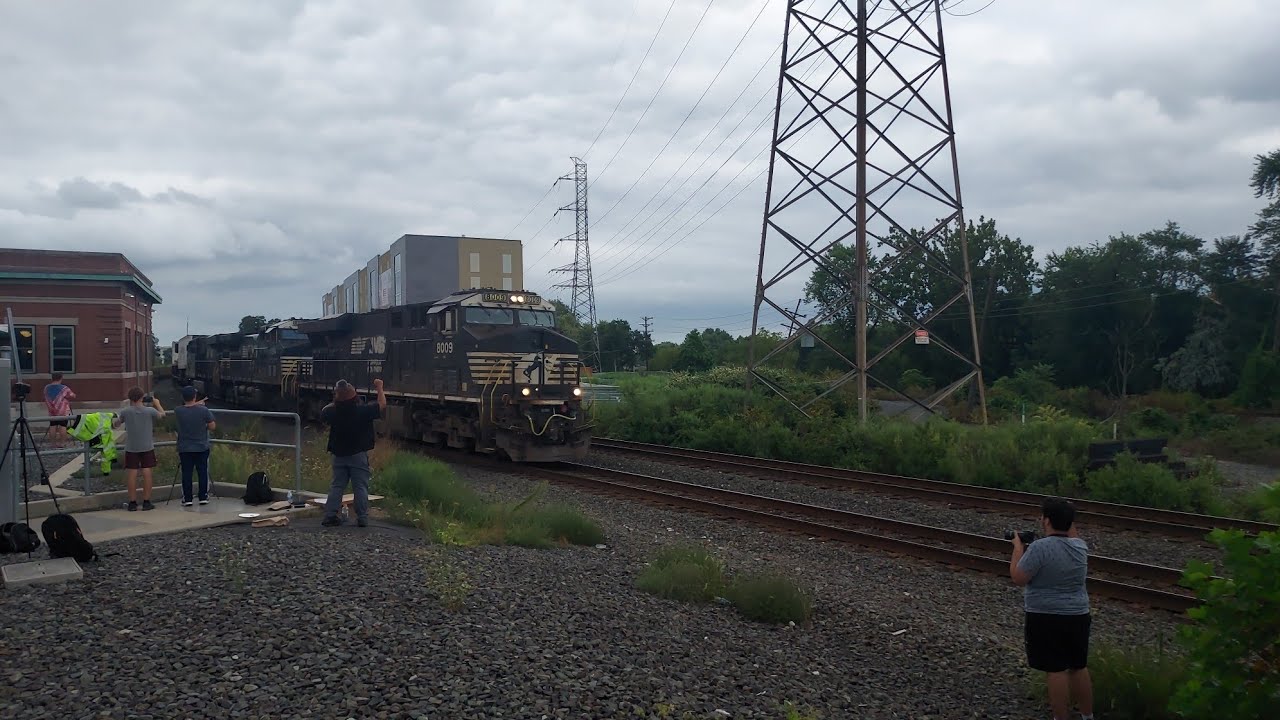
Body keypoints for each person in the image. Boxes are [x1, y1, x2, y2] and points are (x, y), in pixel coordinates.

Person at [1010, 497, 1094, 720]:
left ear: (1046, 521)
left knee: (1055, 670)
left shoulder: (1039, 548)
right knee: (1078, 666)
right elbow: (1071, 532)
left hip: (1046, 616)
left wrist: (1018, 548)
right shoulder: (1080, 547)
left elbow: (1018, 577)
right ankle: (1088, 716)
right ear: (1070, 522)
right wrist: (1066, 515)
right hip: (1078, 614)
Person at [320, 378, 385, 528]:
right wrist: (380, 388)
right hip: (357, 455)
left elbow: (324, 412)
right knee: (360, 487)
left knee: (337, 486)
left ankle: (330, 516)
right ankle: (362, 518)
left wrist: (338, 399)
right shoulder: (363, 411)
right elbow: (381, 405)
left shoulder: (332, 411)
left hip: (339, 455)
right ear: (354, 396)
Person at [114, 386, 165, 511]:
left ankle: (132, 503)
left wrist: (116, 421)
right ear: (142, 397)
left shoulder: (126, 412)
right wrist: (157, 404)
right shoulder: (149, 411)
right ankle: (146, 501)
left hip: (131, 447)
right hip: (147, 446)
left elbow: (117, 424)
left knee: (132, 473)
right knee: (147, 472)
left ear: (130, 398)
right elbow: (162, 415)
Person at [174, 385, 216, 507]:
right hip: (201, 446)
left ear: (183, 397)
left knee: (186, 473)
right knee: (202, 471)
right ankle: (203, 496)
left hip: (185, 448)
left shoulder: (178, 411)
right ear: (195, 396)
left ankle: (187, 498)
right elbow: (212, 426)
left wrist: (196, 404)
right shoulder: (203, 410)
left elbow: (187, 408)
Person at [43, 373, 76, 446]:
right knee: (63, 426)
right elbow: (72, 395)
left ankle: (53, 443)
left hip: (52, 410)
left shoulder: (47, 388)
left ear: (52, 378)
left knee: (52, 426)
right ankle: (62, 443)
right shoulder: (64, 388)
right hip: (62, 411)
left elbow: (45, 396)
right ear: (61, 378)